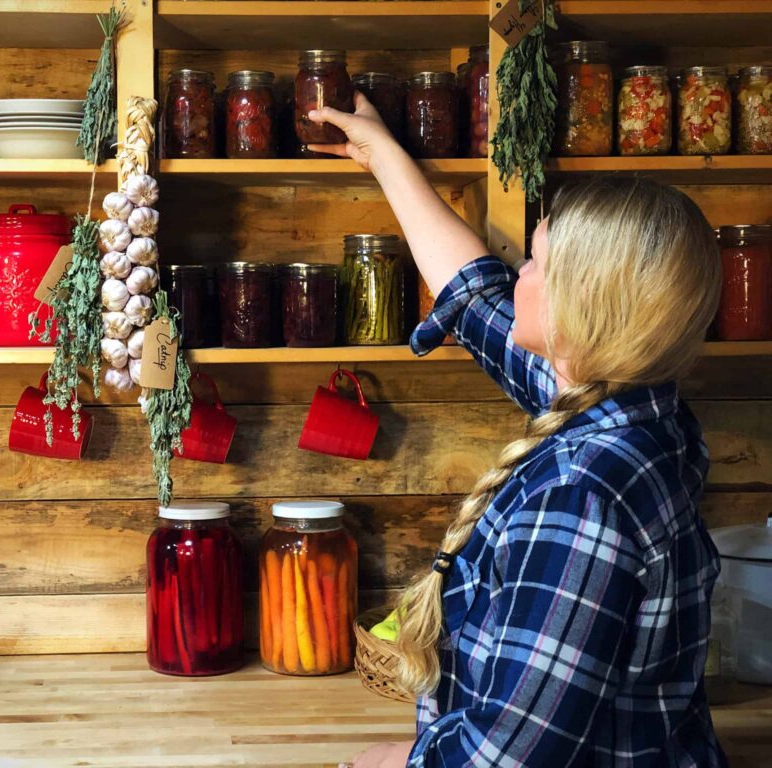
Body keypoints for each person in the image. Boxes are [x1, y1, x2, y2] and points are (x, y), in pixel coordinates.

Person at [306, 94, 728, 768]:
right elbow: (472, 293)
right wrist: (380, 153)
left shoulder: (581, 494)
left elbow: (512, 759)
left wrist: (406, 761)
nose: (517, 276)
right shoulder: (637, 410)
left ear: (578, 305)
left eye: (534, 262)